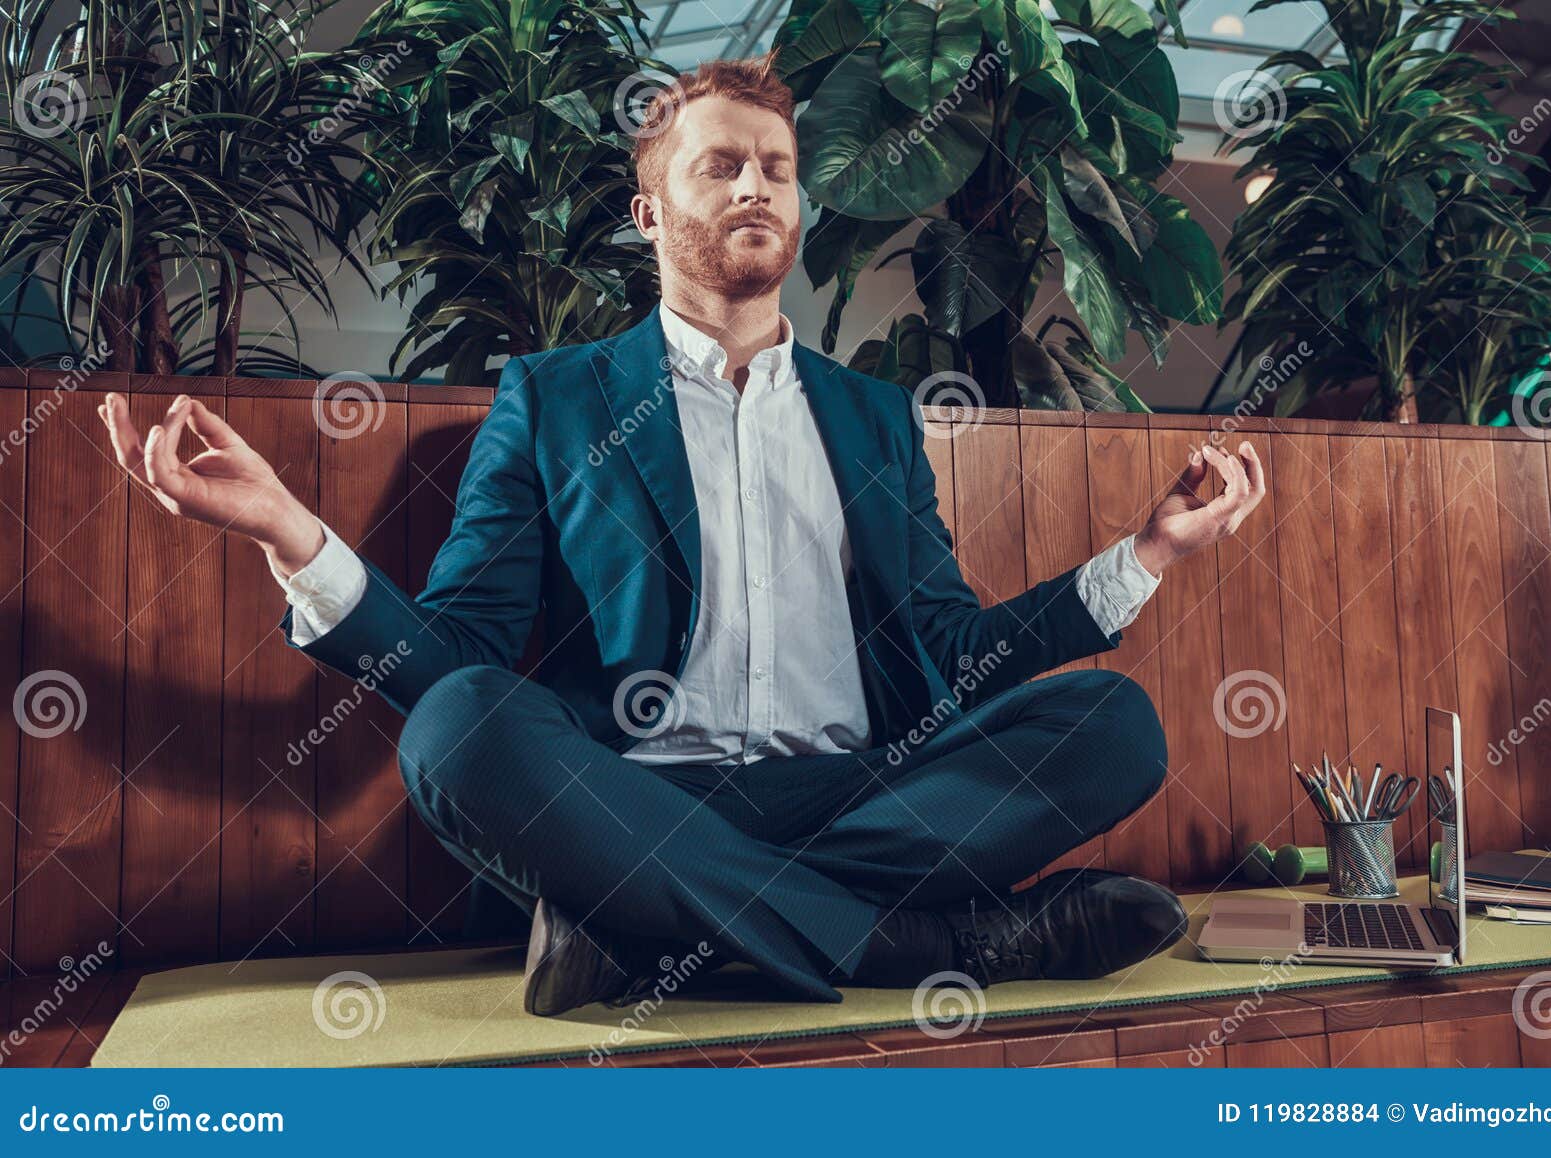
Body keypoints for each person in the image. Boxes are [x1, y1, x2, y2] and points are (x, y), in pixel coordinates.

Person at [98, 52, 1268, 1019]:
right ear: (650, 209)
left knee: (1111, 724)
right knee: (458, 728)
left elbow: (950, 655)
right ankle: (932, 942)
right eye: (723, 166)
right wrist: (291, 534)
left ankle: (646, 928)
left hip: (854, 792)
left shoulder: (871, 418)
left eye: (778, 168)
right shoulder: (556, 400)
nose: (757, 186)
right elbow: (460, 654)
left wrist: (1148, 553)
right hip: (631, 799)